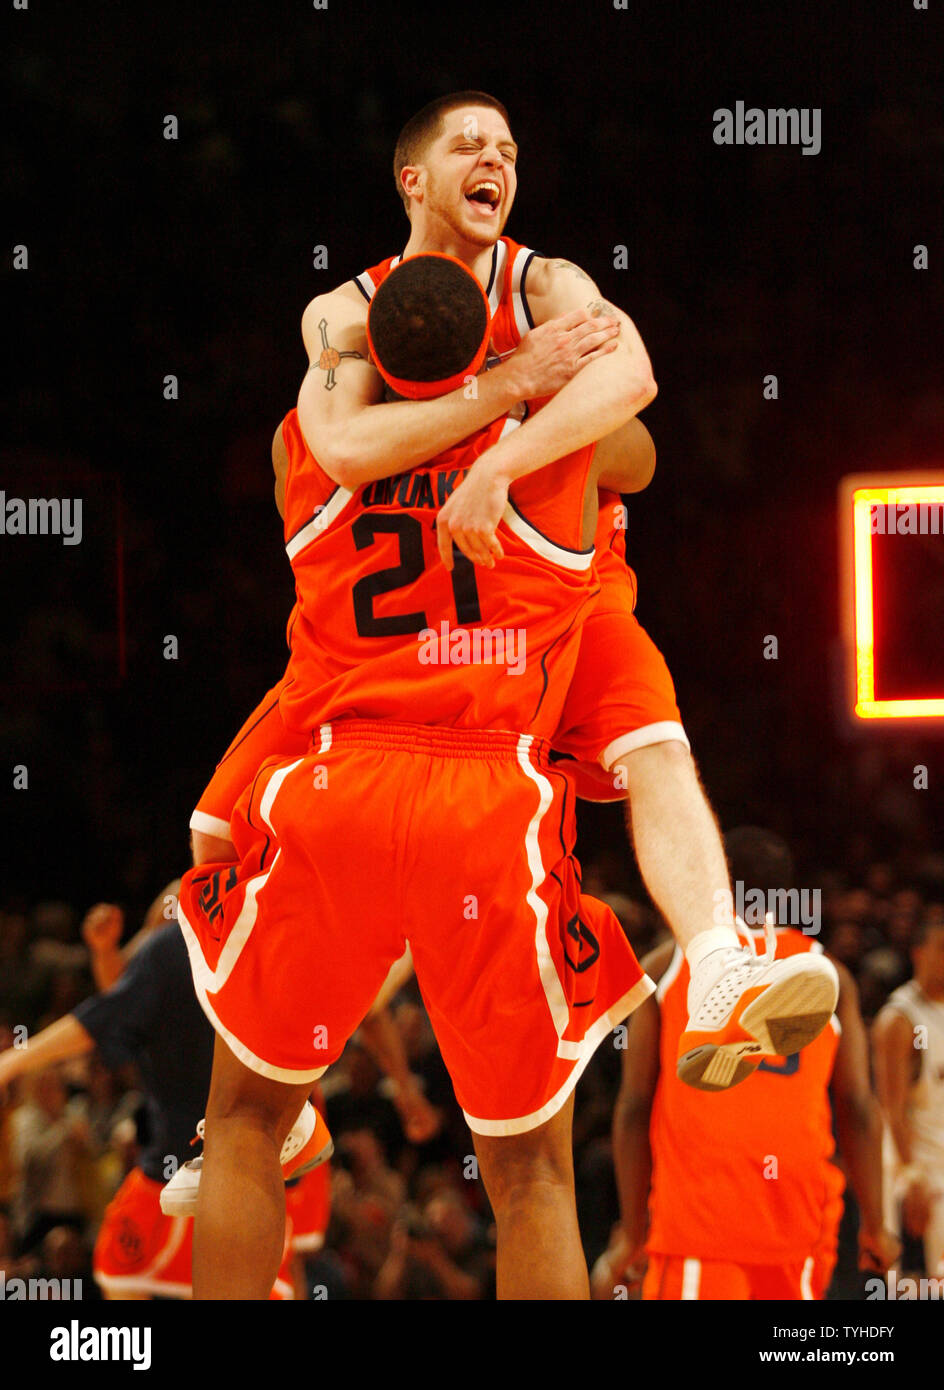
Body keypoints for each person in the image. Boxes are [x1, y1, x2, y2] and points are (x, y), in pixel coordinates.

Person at [595, 827, 899, 1300]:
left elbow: (634, 1106)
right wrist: (876, 1225)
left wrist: (633, 1232)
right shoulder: (831, 974)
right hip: (798, 1211)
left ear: (714, 883)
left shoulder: (668, 964)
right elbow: (859, 1107)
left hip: (701, 1213)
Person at [0, 909, 324, 1299]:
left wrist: (12, 1062)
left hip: (188, 1170)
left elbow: (110, 1011)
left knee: (119, 1277)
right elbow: (124, 1000)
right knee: (275, 1272)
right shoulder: (281, 939)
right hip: (254, 1171)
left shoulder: (174, 945)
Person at [873, 914, 944, 1277]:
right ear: (919, 953)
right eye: (942, 948)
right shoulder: (900, 1018)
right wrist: (912, 1175)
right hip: (920, 1174)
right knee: (916, 1284)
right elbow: (891, 1108)